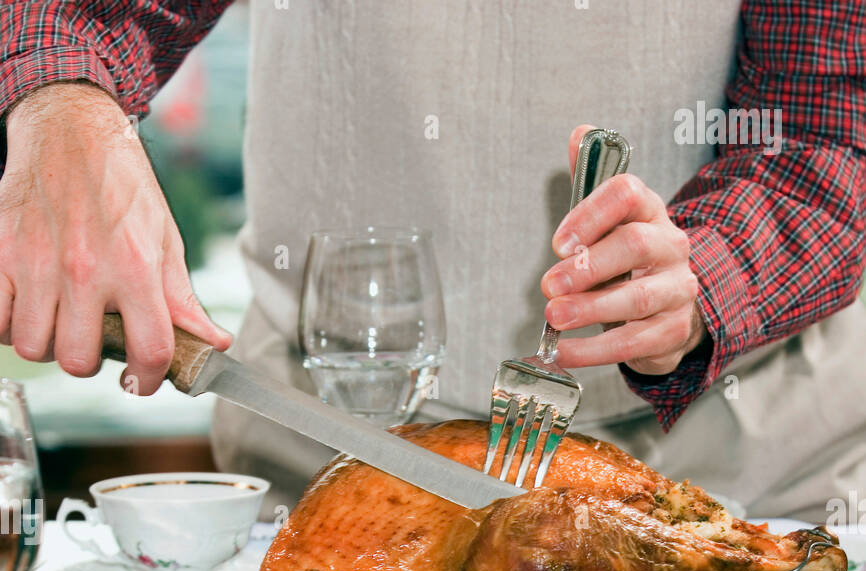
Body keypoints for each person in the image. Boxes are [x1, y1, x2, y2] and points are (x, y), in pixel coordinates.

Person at [0, 0, 864, 521]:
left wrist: (707, 276)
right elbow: (81, 15)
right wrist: (64, 104)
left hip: (735, 471)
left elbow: (830, 129)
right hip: (332, 450)